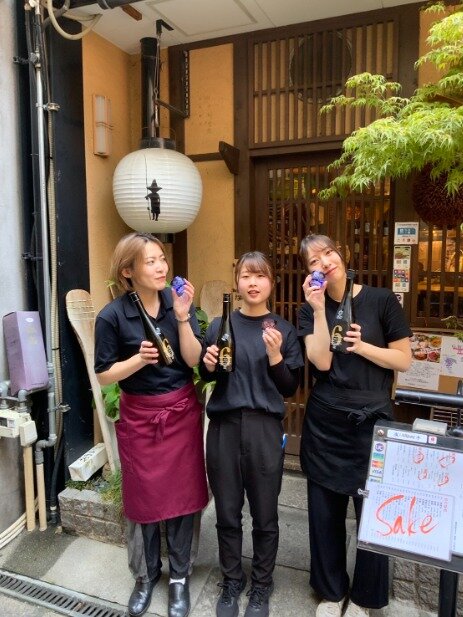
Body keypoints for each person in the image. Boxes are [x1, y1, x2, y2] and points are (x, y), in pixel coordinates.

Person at [94, 232, 208, 617]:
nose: (161, 267)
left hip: (180, 412)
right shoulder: (112, 316)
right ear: (128, 271)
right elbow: (104, 375)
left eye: (162, 258)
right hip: (140, 418)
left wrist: (183, 317)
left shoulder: (177, 302)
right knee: (142, 500)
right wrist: (138, 361)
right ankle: (145, 577)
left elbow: (192, 360)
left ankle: (179, 577)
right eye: (151, 261)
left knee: (184, 499)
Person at [297, 234, 412, 617]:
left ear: (341, 254)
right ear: (309, 272)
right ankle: (331, 592)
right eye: (314, 260)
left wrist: (362, 346)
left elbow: (403, 360)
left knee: (374, 514)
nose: (324, 262)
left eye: (328, 252)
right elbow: (322, 363)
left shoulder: (381, 300)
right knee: (324, 512)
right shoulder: (308, 309)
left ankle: (365, 598)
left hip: (373, 423)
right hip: (326, 423)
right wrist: (318, 311)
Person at [200, 251, 304, 617]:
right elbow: (209, 375)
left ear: (271, 283)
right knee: (227, 511)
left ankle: (261, 584)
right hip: (224, 428)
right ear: (237, 282)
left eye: (260, 276)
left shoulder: (283, 331)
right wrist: (207, 364)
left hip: (263, 428)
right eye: (246, 276)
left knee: (265, 514)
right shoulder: (220, 325)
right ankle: (231, 580)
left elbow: (289, 387)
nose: (253, 283)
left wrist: (275, 356)